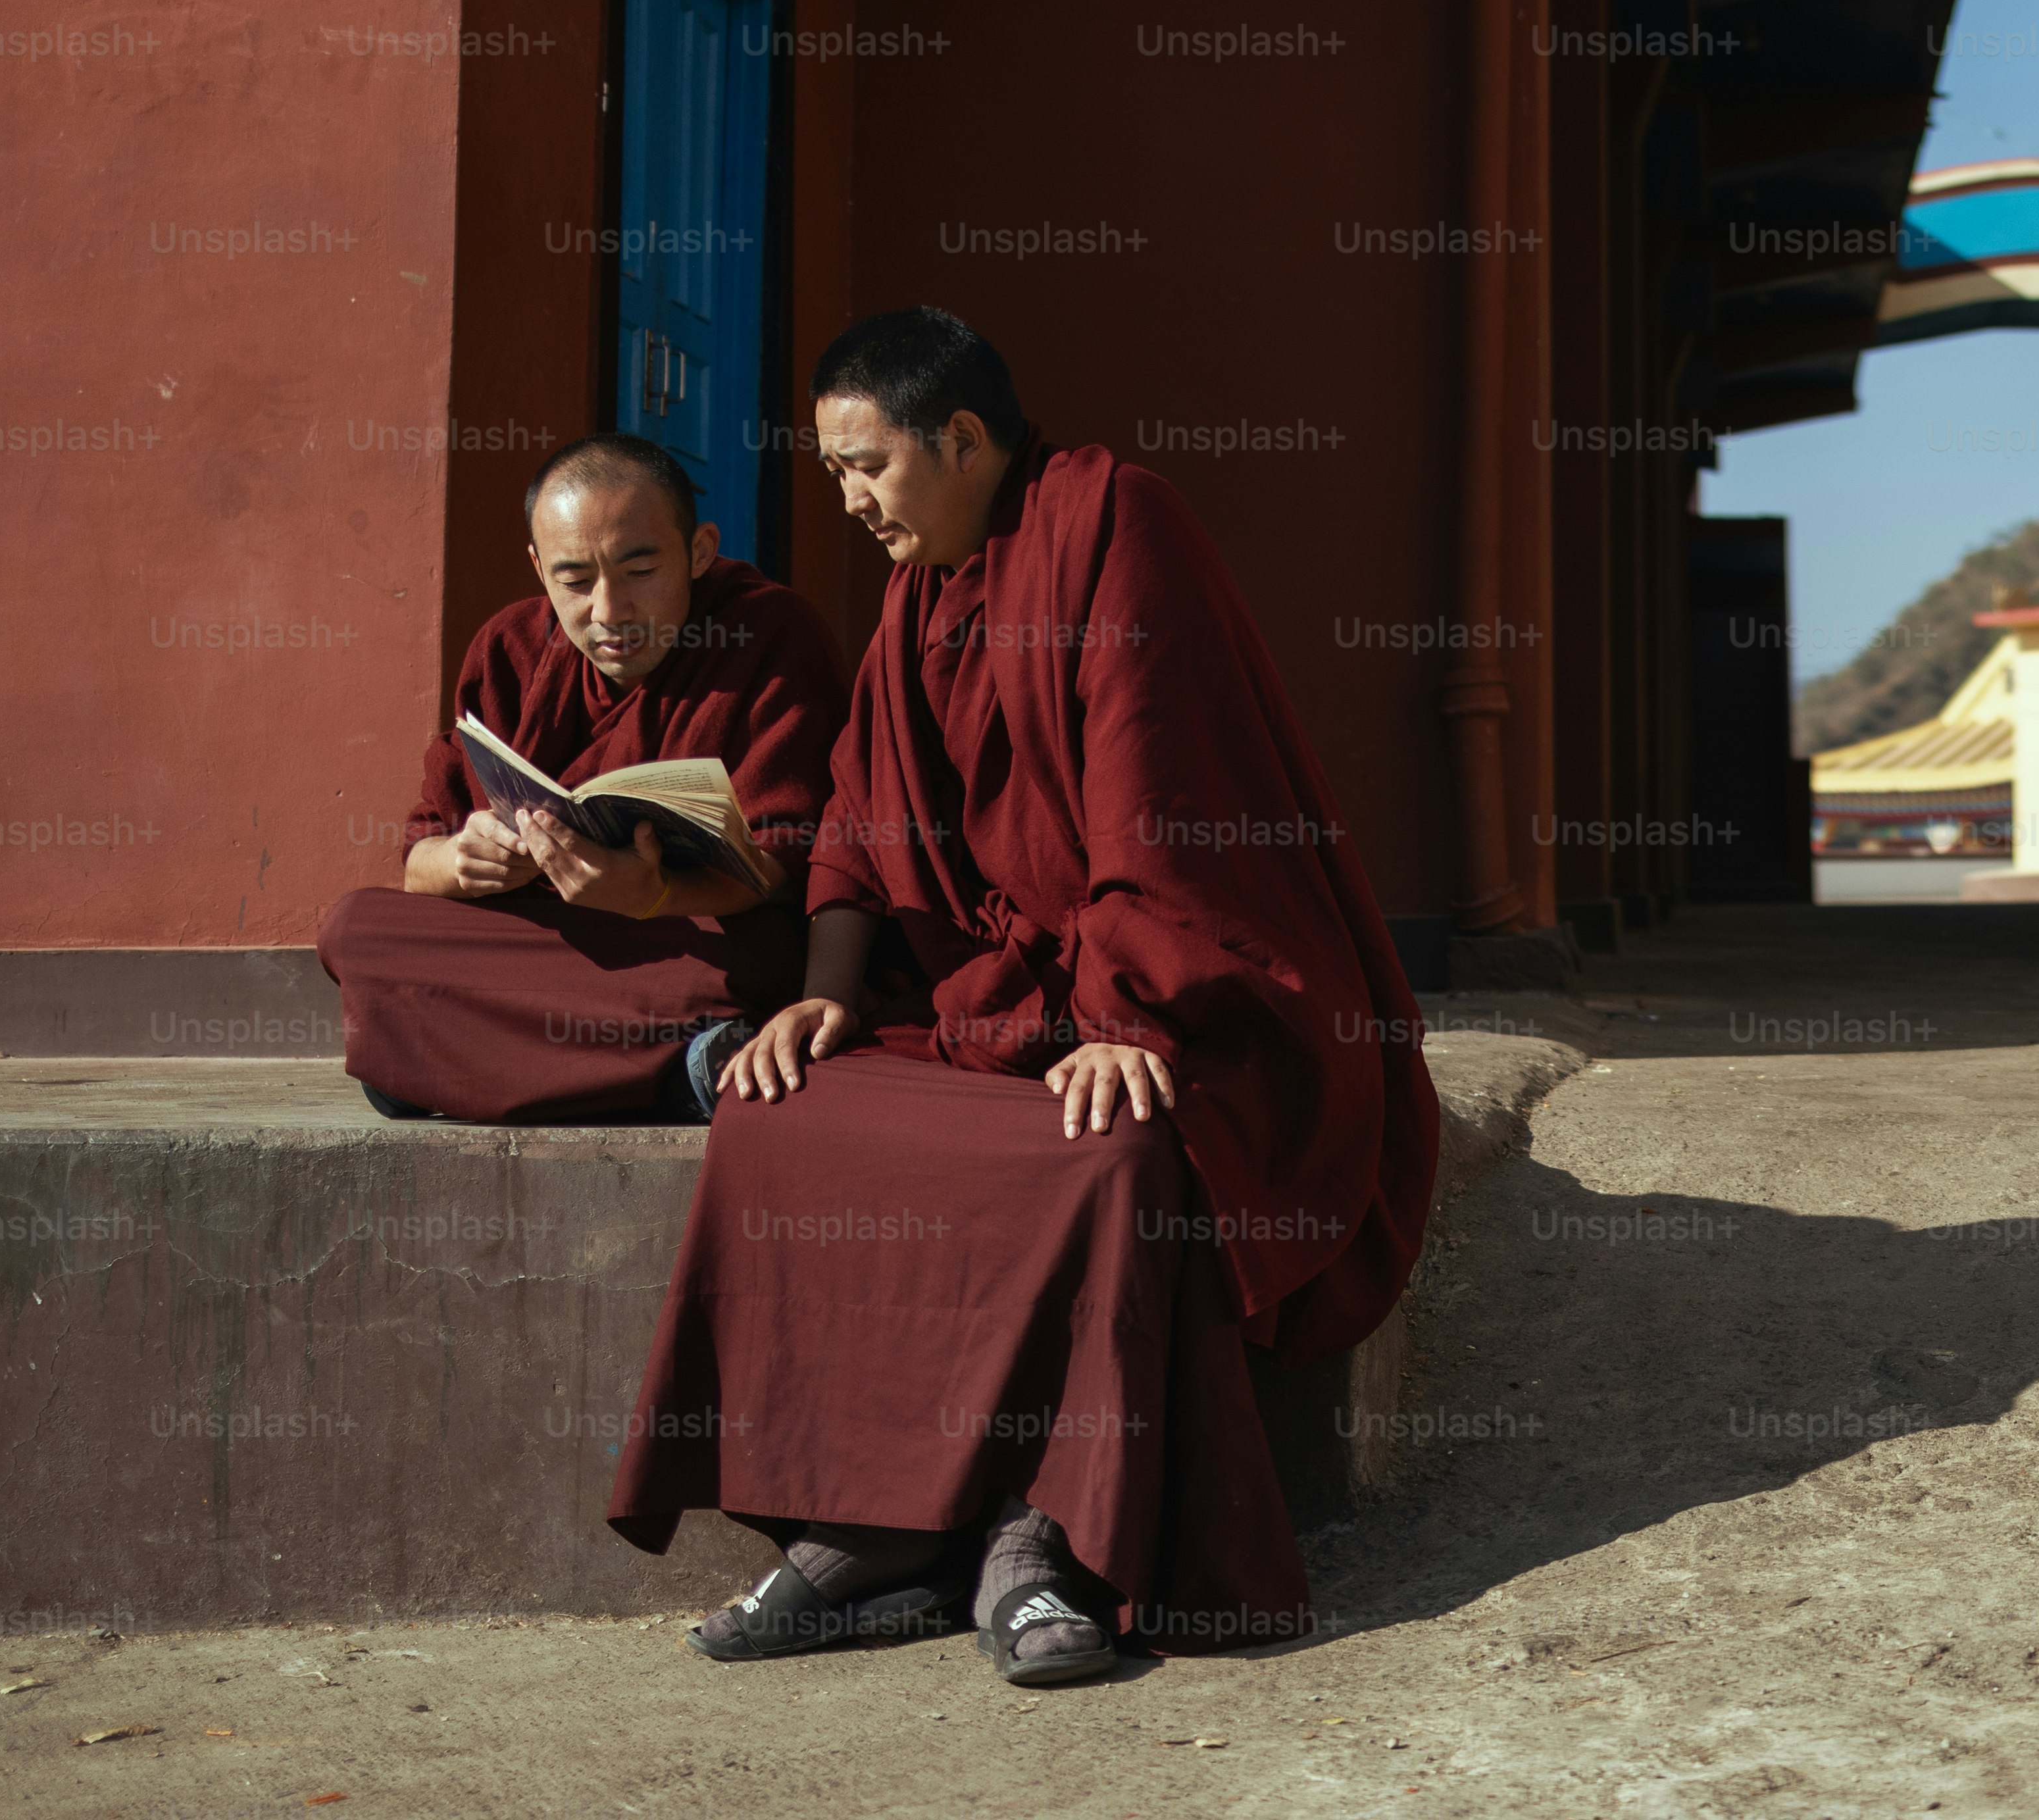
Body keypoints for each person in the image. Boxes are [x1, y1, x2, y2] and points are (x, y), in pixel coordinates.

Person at [609, 308, 1436, 1684]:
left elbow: (1159, 806)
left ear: (968, 438)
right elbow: (863, 821)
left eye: (867, 464)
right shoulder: (919, 589)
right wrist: (818, 996)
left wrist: (1129, 1022)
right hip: (1003, 1001)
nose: (850, 498)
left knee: (1111, 1152)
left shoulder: (1119, 527)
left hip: (1202, 1001)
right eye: (832, 473)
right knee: (780, 1111)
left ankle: (1040, 1535)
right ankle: (868, 1520)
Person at [316, 435, 849, 1124]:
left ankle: (432, 1060)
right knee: (356, 927)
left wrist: (654, 892)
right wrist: (460, 860)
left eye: (640, 569)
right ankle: (677, 1073)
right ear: (539, 568)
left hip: (686, 941)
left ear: (700, 549)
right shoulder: (510, 647)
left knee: (762, 961)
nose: (610, 611)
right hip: (550, 943)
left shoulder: (770, 636)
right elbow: (424, 847)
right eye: (574, 579)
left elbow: (791, 857)